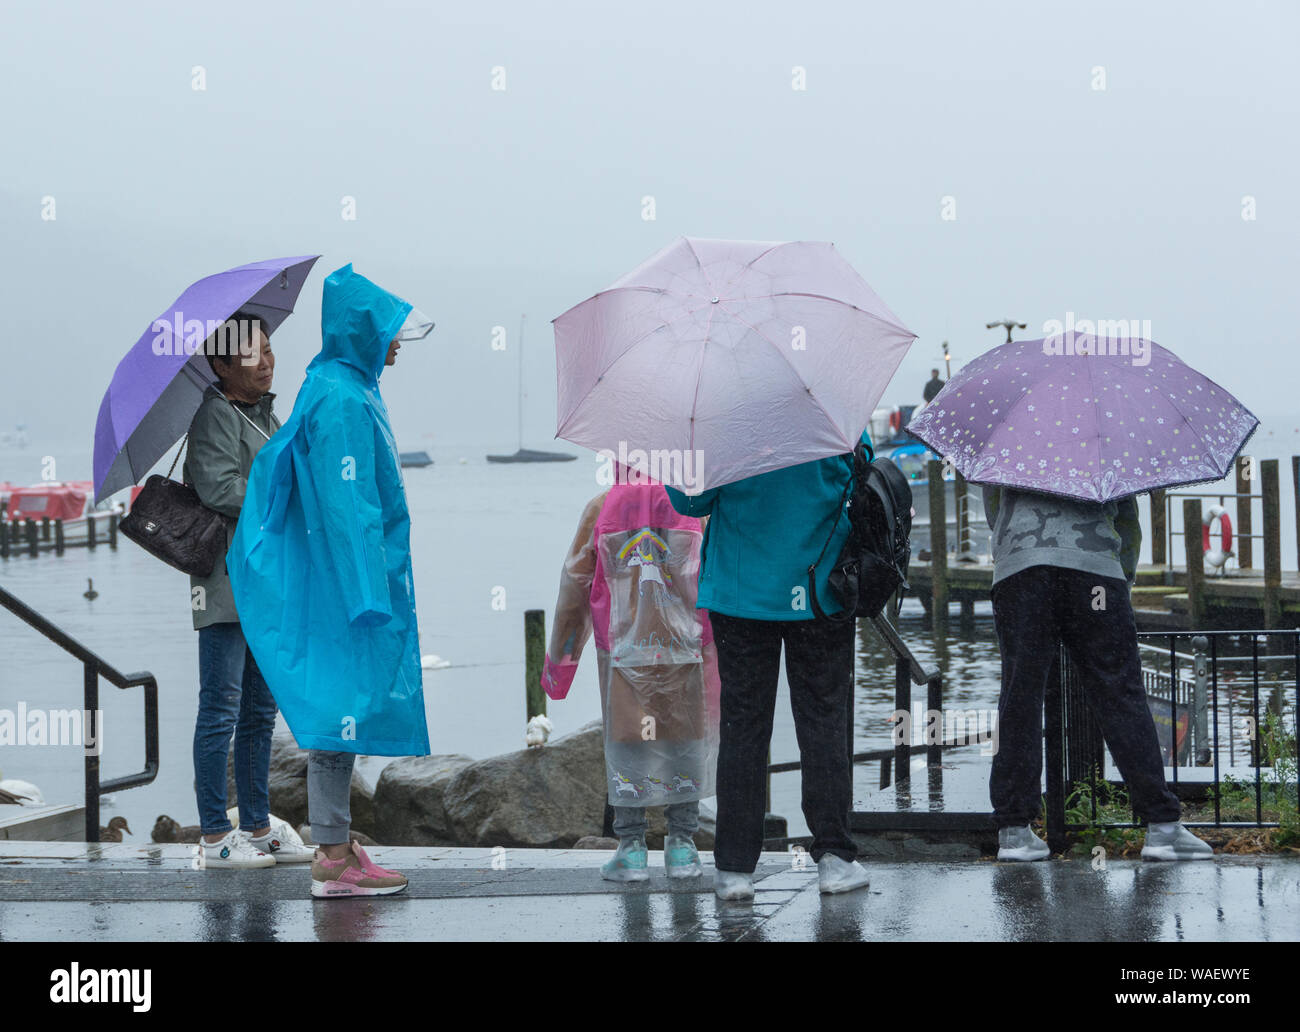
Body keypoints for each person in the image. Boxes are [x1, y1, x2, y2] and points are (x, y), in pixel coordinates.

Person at [227, 263, 436, 898]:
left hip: (340, 581)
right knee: (337, 711)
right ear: (364, 328)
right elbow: (349, 505)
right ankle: (333, 857)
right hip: (348, 588)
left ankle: (336, 846)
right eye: (392, 329)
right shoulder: (343, 396)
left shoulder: (340, 383)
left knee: (336, 710)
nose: (399, 340)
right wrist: (368, 593)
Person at [665, 430, 875, 900]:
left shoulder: (726, 421)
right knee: (824, 721)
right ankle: (835, 859)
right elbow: (861, 476)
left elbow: (690, 501)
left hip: (741, 595)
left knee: (743, 728)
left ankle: (734, 869)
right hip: (820, 590)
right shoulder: (830, 410)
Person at [983, 486, 1213, 861]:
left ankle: (1013, 832)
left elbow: (994, 507)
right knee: (1119, 690)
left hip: (1020, 571)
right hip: (1093, 573)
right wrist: (1121, 576)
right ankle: (1161, 828)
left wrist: (1019, 547)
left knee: (1020, 695)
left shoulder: (1004, 438)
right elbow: (1126, 518)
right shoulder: (1104, 431)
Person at [541, 465, 720, 882]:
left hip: (623, 650)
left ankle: (632, 849)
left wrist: (559, 668)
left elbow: (574, 587)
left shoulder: (602, 507)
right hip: (688, 650)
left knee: (628, 742)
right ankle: (682, 847)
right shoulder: (696, 506)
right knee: (685, 739)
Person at [187, 311, 311, 869]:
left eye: (267, 349)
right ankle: (215, 835)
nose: (265, 361)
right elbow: (217, 487)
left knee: (260, 712)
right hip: (225, 584)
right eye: (250, 354)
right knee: (220, 709)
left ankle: (257, 827)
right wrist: (280, 486)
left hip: (267, 582)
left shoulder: (266, 413)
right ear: (220, 365)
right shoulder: (215, 415)